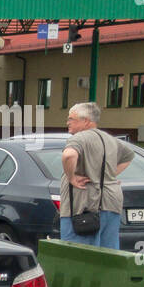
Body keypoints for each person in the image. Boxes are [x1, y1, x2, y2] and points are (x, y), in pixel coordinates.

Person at [60, 101, 132, 250]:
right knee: (108, 255)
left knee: (78, 256)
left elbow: (68, 155)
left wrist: (71, 177)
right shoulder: (110, 139)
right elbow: (129, 156)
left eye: (71, 119)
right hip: (111, 204)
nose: (67, 122)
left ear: (85, 121)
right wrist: (108, 176)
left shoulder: (79, 138)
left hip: (84, 206)